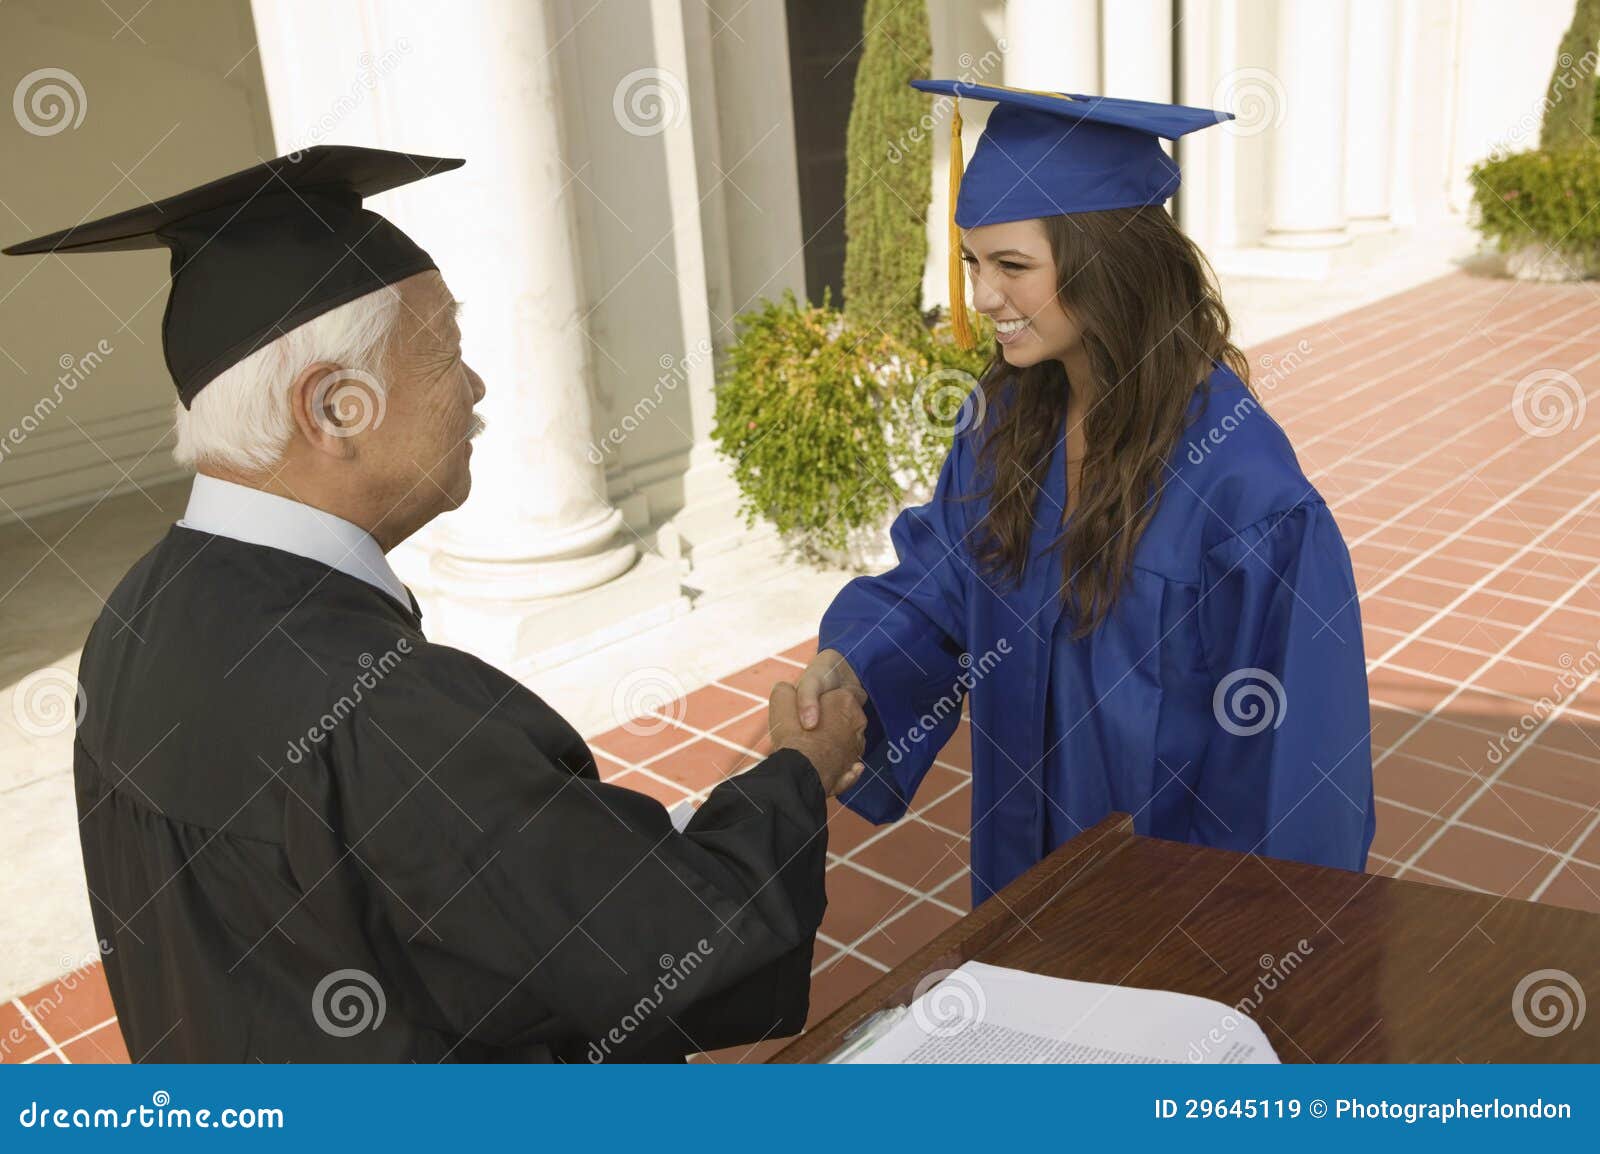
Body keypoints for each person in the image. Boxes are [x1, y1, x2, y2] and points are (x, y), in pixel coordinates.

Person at [5, 146, 867, 1062]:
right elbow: (686, 950)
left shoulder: (135, 615)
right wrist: (799, 771)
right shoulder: (385, 711)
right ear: (335, 409)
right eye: (447, 352)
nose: (475, 386)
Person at [795, 81, 1375, 906]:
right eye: (973, 262)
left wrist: (1245, 951)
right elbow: (944, 583)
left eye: (1012, 266)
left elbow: (1295, 774)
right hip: (1017, 877)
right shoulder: (1002, 423)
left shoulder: (1244, 491)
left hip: (1166, 913)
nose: (983, 297)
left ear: (1107, 262)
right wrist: (851, 666)